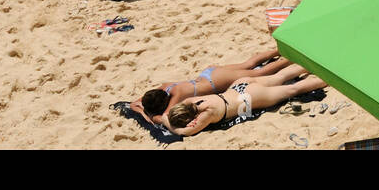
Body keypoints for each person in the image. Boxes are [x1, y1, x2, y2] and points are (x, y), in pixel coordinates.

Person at [131, 50, 292, 124]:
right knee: (248, 64)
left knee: (259, 73)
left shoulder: (177, 96)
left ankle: (291, 59)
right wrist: (141, 106)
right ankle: (280, 49)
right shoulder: (165, 87)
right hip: (209, 74)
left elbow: (163, 119)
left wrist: (148, 116)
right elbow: (136, 102)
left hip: (215, 82)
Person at [163, 70, 327, 137]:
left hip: (247, 99)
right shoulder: (189, 101)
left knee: (293, 90)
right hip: (238, 85)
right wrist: (165, 116)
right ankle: (307, 62)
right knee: (279, 77)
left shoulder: (207, 114)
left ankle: (328, 79)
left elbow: (184, 132)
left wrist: (167, 123)